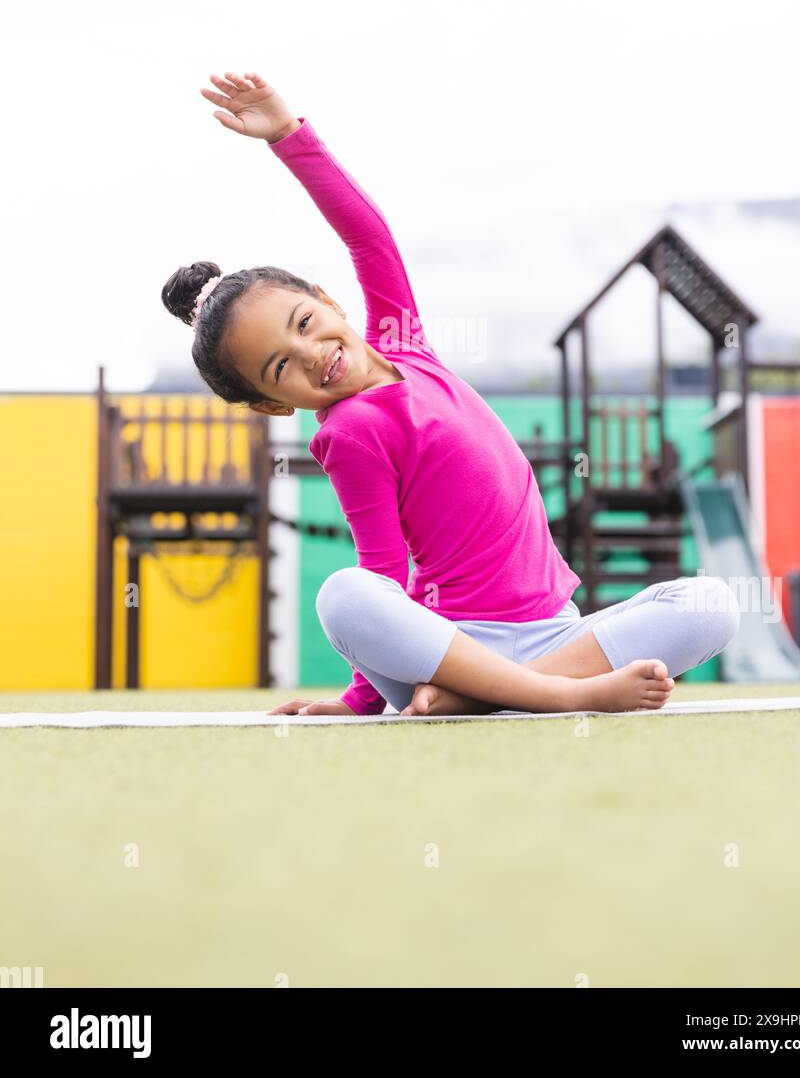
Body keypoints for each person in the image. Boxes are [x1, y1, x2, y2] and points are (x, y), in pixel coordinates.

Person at [161, 71, 740, 718]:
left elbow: (368, 235)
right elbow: (379, 578)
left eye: (304, 323)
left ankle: (484, 699)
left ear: (327, 302)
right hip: (452, 647)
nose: (312, 353)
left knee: (711, 603)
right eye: (279, 368)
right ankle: (553, 696)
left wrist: (289, 135)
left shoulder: (404, 342)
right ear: (274, 405)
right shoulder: (348, 432)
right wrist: (359, 701)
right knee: (343, 595)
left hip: (556, 633)